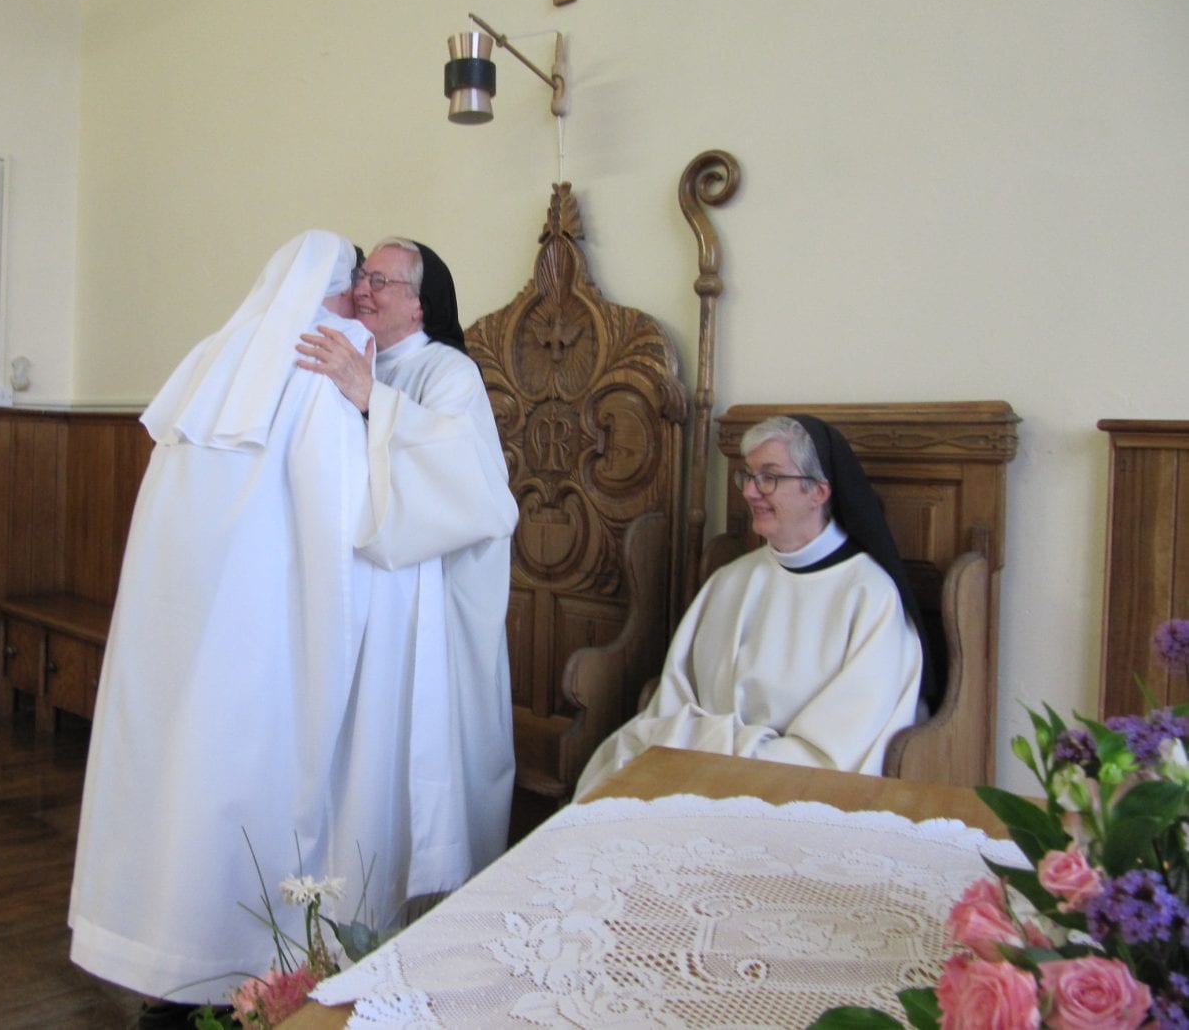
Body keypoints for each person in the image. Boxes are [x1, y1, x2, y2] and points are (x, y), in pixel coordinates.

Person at [68, 230, 382, 1019]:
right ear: (336, 286)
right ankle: (240, 970)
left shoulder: (215, 355)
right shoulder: (324, 355)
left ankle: (160, 954)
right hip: (265, 617)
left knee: (176, 778)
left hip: (178, 612)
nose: (363, 301)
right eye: (358, 283)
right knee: (251, 782)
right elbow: (339, 508)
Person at [295, 236, 519, 886]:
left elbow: (470, 482)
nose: (363, 290)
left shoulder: (447, 372)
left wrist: (372, 397)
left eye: (381, 282)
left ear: (420, 305)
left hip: (440, 598)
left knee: (430, 742)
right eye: (362, 277)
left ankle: (440, 884)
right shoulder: (355, 357)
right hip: (366, 589)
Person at [573, 413, 925, 797]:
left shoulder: (870, 596)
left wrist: (724, 757)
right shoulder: (731, 580)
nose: (751, 492)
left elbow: (837, 752)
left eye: (769, 477)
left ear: (818, 491)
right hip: (697, 766)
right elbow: (674, 701)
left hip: (789, 788)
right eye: (748, 477)